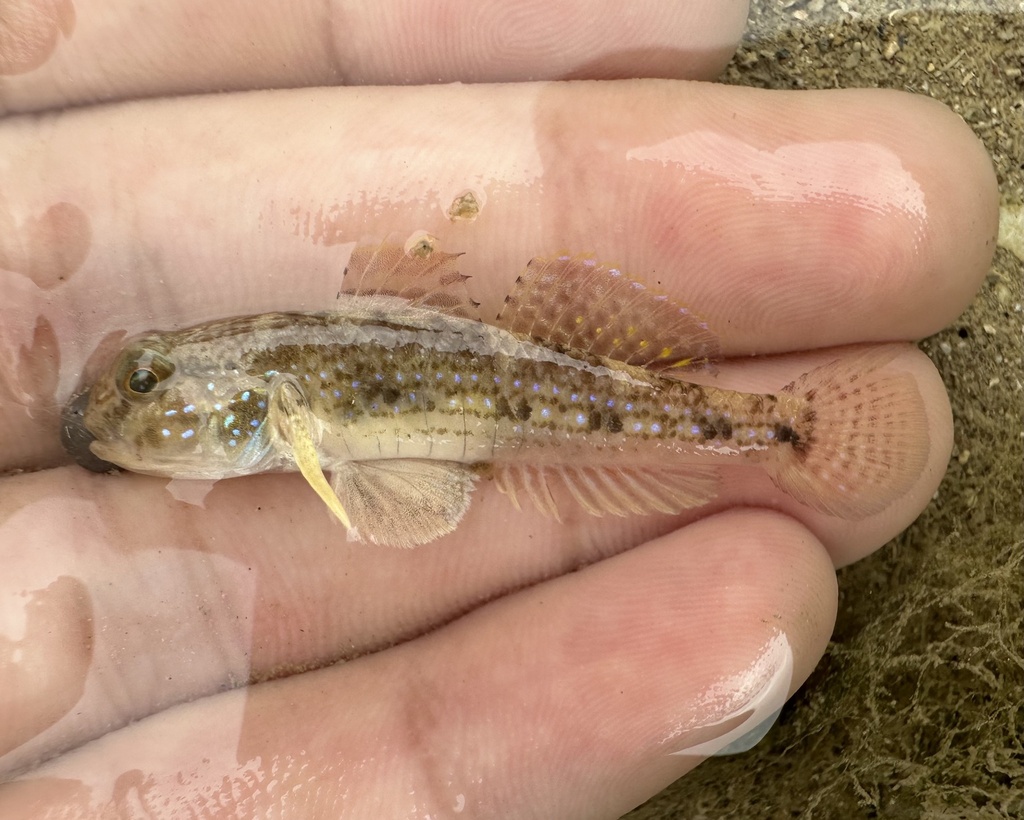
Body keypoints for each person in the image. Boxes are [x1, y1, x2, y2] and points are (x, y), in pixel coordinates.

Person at [0, 2, 997, 816]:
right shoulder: (271, 378)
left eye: (148, 381)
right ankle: (767, 429)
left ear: (254, 398)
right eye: (144, 377)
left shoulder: (285, 379)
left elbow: (399, 491)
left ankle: (778, 428)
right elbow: (403, 490)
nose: (128, 398)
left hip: (544, 387)